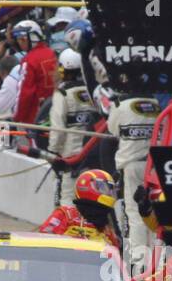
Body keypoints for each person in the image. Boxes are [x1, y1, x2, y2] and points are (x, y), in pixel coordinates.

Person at [107, 92, 160, 257]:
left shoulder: (120, 104)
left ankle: (138, 263)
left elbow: (112, 129)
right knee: (154, 214)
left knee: (135, 216)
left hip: (132, 167)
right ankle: (155, 262)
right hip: (155, 167)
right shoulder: (156, 103)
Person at [38, 168, 122, 250]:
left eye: (110, 189)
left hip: (92, 263)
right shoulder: (65, 214)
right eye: (104, 188)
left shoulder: (105, 225)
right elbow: (44, 239)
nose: (109, 193)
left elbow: (115, 252)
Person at [46, 48, 97, 166]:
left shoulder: (62, 94)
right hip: (93, 156)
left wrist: (52, 152)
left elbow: (58, 130)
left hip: (71, 157)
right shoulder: (95, 92)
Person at [12, 19, 57, 130]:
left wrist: (16, 117)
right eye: (19, 39)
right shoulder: (52, 53)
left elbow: (25, 93)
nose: (20, 43)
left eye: (22, 39)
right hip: (55, 111)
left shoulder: (29, 60)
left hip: (35, 117)